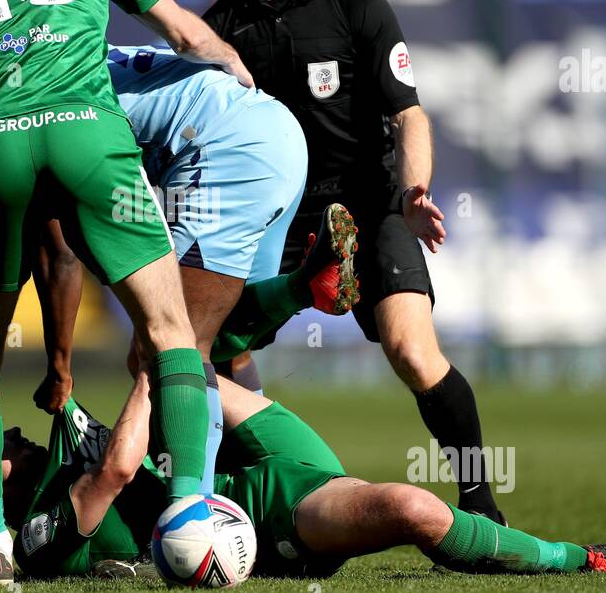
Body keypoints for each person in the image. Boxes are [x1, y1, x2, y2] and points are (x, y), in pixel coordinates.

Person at [0, 0, 252, 583]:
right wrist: (234, 64)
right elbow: (185, 32)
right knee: (171, 330)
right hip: (96, 147)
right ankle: (192, 512)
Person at [202, 0, 507, 524]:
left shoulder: (355, 3)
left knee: (412, 350)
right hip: (273, 220)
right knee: (212, 352)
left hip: (368, 206)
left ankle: (481, 503)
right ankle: (245, 495)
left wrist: (415, 189)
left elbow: (410, 114)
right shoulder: (221, 27)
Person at [0, 378, 606, 581]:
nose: (5, 432)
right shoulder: (42, 533)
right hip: (246, 504)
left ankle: (303, 290)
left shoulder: (48, 445)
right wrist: (158, 357)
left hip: (246, 454)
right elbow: (120, 464)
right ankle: (583, 557)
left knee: (200, 361)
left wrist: (172, 357)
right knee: (411, 507)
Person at [31, 43, 360, 492]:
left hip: (221, 150)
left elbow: (60, 255)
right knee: (233, 339)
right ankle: (300, 291)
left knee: (171, 350)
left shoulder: (28, 107)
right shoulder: (74, 48)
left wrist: (60, 369)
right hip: (277, 133)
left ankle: (196, 511)